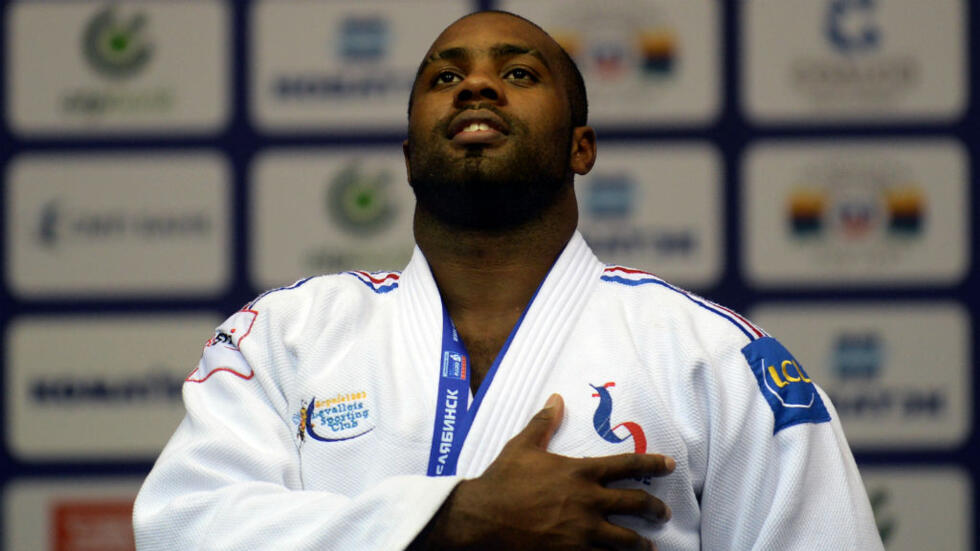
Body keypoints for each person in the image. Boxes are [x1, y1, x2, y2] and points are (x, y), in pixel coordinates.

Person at [133, 11, 884, 551]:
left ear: (580, 146)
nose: (477, 87)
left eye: (519, 73)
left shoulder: (709, 356)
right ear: (408, 151)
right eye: (446, 76)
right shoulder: (288, 336)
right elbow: (182, 526)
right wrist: (454, 520)